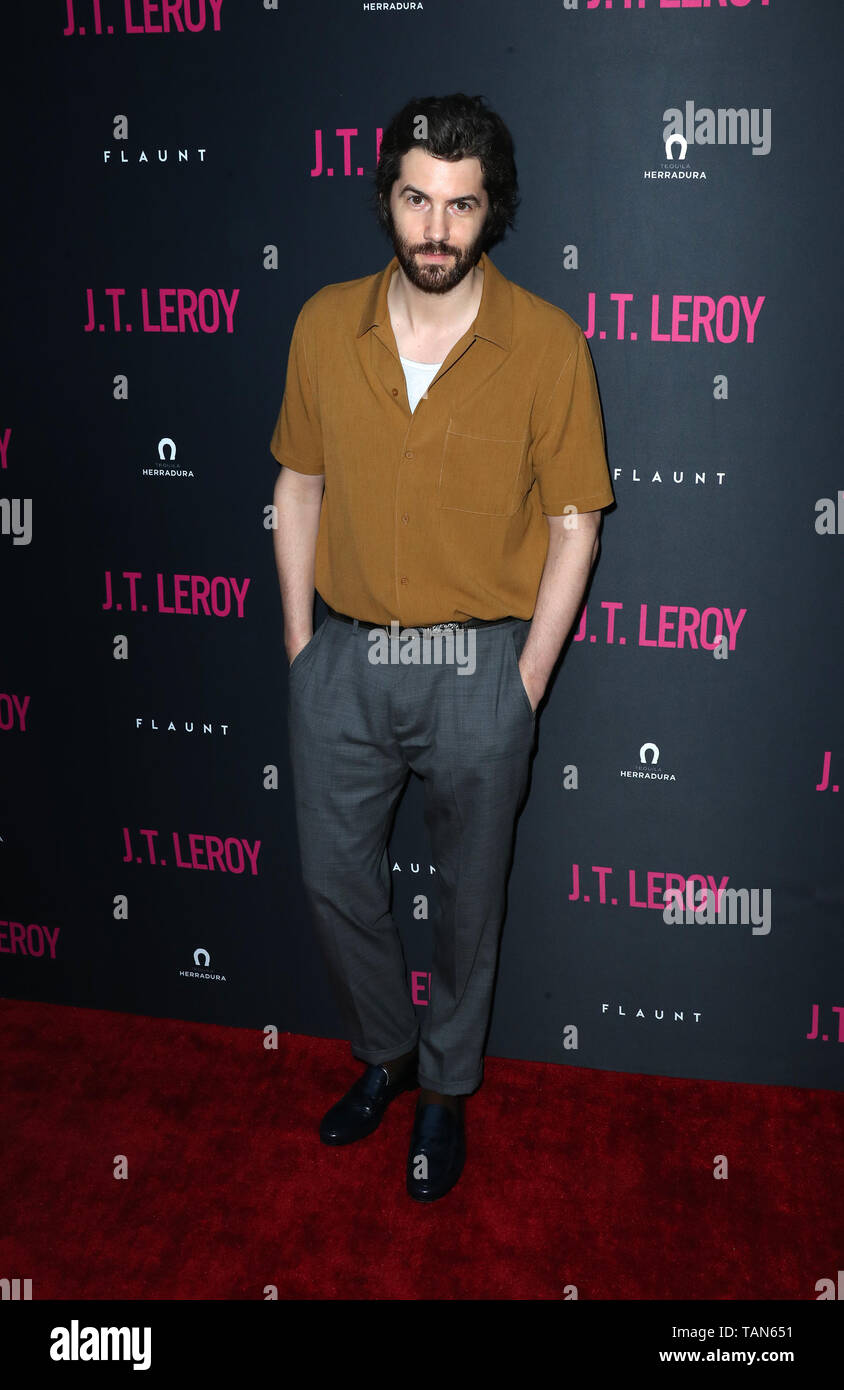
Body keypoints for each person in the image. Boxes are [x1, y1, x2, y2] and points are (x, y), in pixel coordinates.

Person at [269, 92, 614, 1203]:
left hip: (480, 670)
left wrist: (525, 681)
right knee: (334, 884)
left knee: (469, 906)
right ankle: (388, 1051)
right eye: (417, 197)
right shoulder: (324, 324)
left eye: (460, 206)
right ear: (389, 195)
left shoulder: (548, 343)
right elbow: (298, 481)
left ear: (489, 211)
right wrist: (298, 648)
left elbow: (576, 522)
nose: (435, 228)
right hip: (344, 664)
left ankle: (445, 1092)